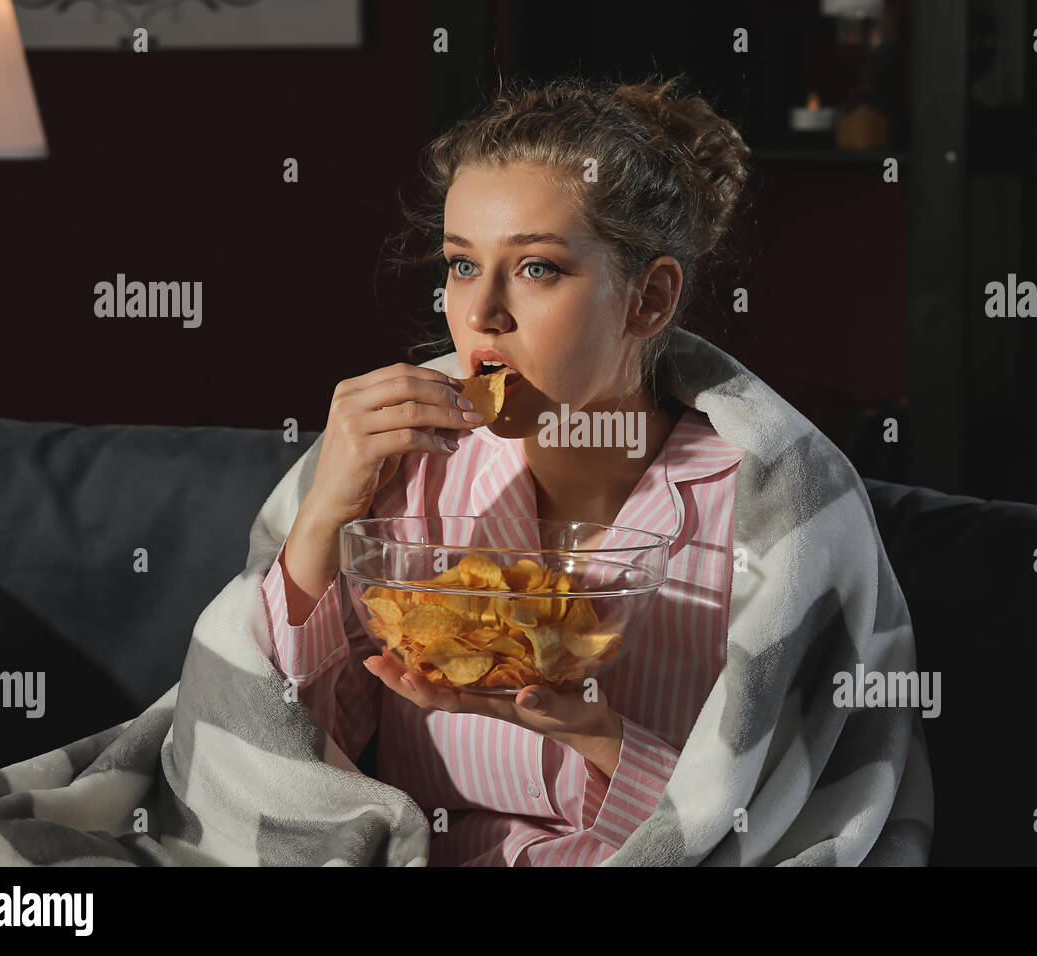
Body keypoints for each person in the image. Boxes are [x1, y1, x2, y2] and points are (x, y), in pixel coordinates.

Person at [260, 74, 880, 866]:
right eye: (458, 265)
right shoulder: (408, 474)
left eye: (537, 269)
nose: (481, 313)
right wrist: (321, 519)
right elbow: (281, 771)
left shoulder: (769, 508)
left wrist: (601, 735)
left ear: (649, 300)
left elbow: (797, 819)